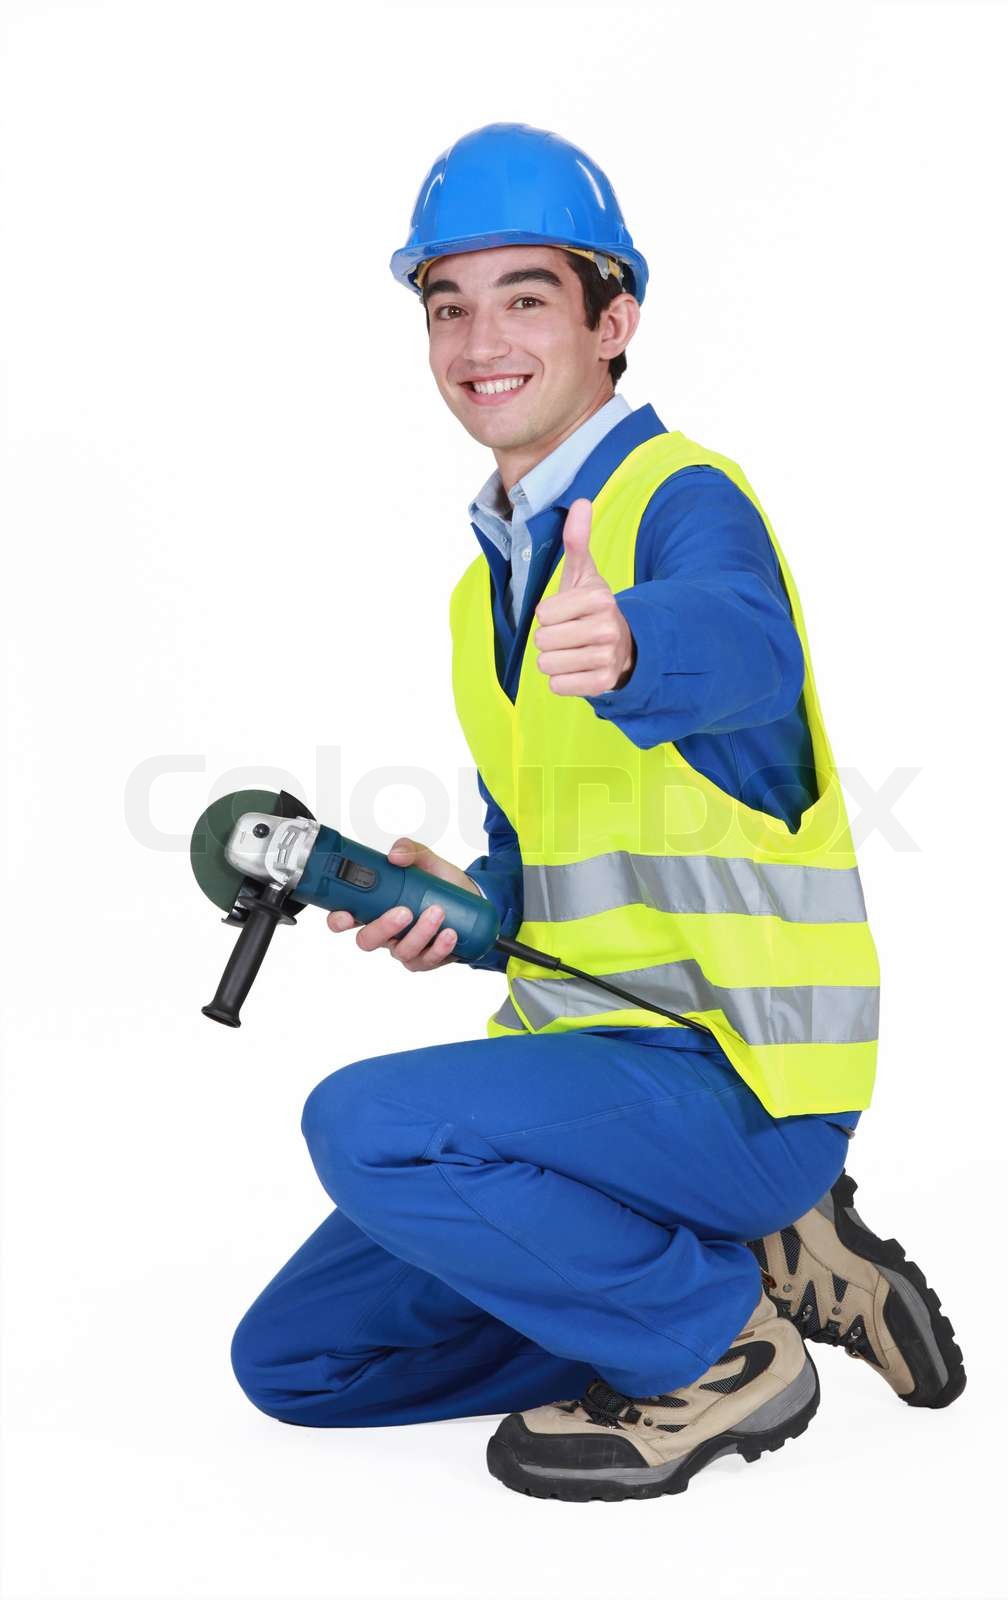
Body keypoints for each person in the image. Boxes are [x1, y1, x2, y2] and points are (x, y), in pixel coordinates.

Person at [230, 123, 965, 1502]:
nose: (478, 341)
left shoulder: (680, 500)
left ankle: (720, 1349)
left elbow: (745, 646)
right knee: (299, 1362)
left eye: (526, 299)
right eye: (448, 306)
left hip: (740, 1082)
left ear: (612, 322)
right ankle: (734, 1263)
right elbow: (558, 870)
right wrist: (466, 906)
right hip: (594, 1069)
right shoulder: (483, 597)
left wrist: (637, 647)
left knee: (364, 1123)